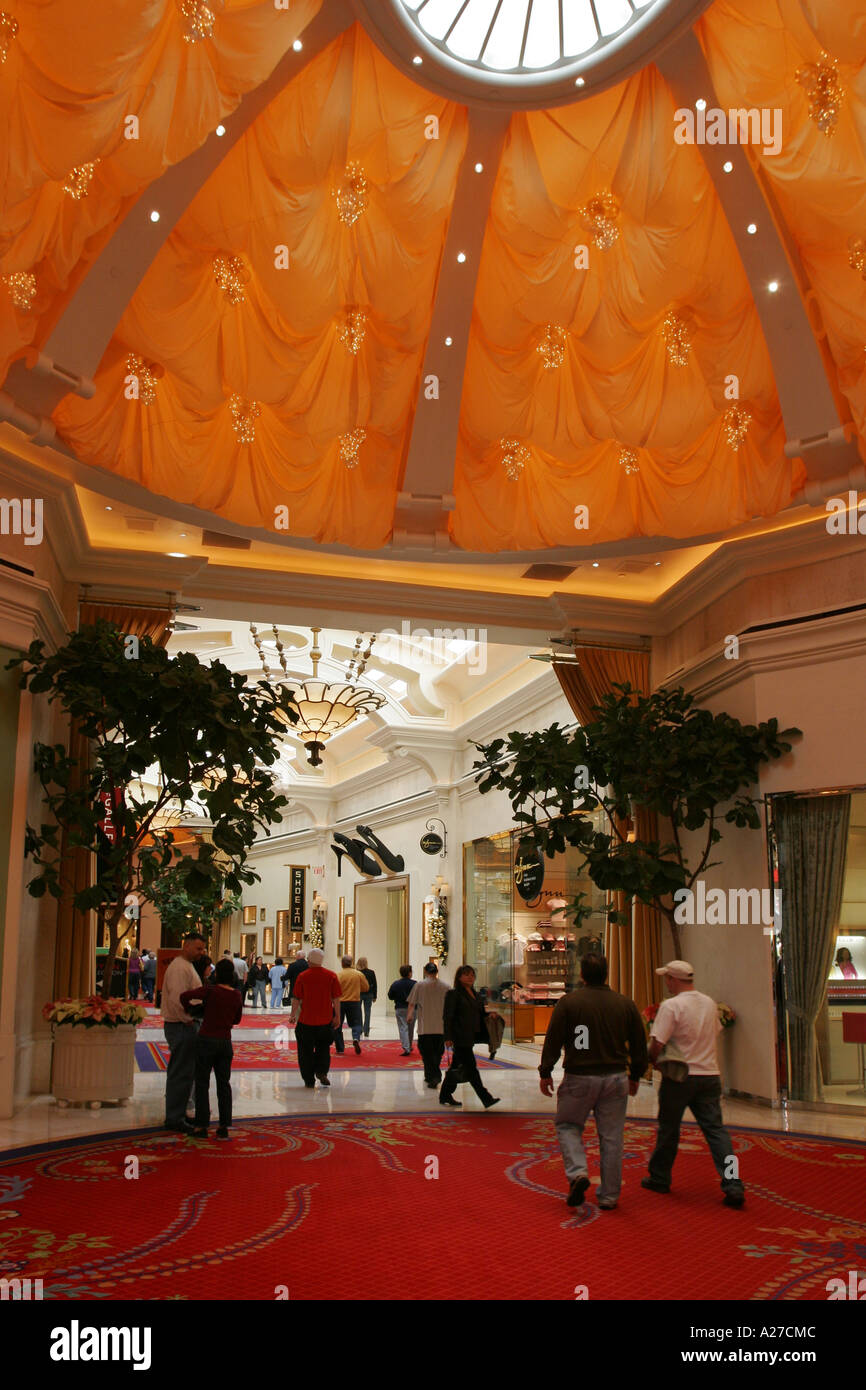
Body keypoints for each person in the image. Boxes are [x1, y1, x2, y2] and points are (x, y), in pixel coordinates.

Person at [539, 952, 647, 1210]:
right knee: (612, 1137)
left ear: (582, 975)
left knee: (568, 1126)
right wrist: (636, 1075)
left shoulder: (569, 1003)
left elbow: (553, 1039)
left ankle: (578, 1173)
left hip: (579, 1076)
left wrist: (545, 1071)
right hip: (615, 1076)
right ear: (606, 974)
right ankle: (609, 1196)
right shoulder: (625, 1004)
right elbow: (640, 1043)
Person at [642, 960, 746, 1208]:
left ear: (673, 980)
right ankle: (733, 1182)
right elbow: (715, 1032)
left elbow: (657, 1043)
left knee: (669, 1129)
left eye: (667, 978)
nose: (666, 982)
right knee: (716, 1131)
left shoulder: (671, 1006)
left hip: (679, 1075)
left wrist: (653, 1062)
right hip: (709, 1075)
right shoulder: (709, 1004)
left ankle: (660, 1177)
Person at [180, 956, 243, 1139]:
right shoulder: (236, 995)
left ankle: (201, 1125)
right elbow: (237, 1020)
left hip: (206, 1039)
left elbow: (185, 996)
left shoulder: (210, 991)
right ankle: (224, 1125)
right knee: (224, 1084)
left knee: (202, 1083)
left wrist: (191, 1012)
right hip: (225, 1042)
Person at [160, 932, 207, 1134]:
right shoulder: (180, 968)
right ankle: (174, 1117)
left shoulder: (185, 966)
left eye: (203, 949)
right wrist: (189, 1020)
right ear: (186, 946)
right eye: (198, 948)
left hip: (184, 1024)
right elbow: (178, 1000)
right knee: (181, 1072)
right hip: (181, 1025)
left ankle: (178, 1113)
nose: (202, 952)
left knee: (185, 1071)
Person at [439, 965, 500, 1110]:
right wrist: (448, 1036)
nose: (470, 977)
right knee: (471, 1068)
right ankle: (486, 1098)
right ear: (459, 977)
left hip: (471, 1035)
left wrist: (489, 1014)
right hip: (460, 1036)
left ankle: (445, 1094)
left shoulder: (476, 995)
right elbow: (448, 1017)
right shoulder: (453, 994)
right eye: (466, 975)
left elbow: (479, 1014)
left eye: (472, 975)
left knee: (456, 1066)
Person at [289, 947, 342, 1087]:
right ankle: (322, 1071)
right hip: (325, 1020)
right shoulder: (331, 976)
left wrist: (293, 1015)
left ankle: (308, 1079)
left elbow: (296, 998)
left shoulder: (303, 976)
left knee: (305, 1052)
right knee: (324, 1049)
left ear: (309, 961)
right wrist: (337, 1016)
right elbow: (336, 998)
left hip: (306, 1021)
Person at [407, 962, 450, 1087]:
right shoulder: (445, 986)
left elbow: (411, 1003)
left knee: (426, 1052)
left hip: (425, 1026)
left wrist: (409, 1015)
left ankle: (434, 1076)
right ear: (436, 972)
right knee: (437, 1052)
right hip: (440, 1026)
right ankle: (430, 1075)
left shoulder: (419, 985)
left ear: (425, 971)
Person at [335, 955, 369, 1055]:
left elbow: (334, 989)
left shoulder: (338, 975)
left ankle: (340, 1048)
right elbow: (366, 988)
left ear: (342, 963)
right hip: (354, 1001)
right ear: (352, 963)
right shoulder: (358, 974)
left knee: (338, 1025)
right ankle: (355, 1038)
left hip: (340, 1003)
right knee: (356, 1023)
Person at [387, 964, 416, 1054]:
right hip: (413, 1009)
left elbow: (390, 996)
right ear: (410, 973)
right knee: (411, 1028)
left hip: (400, 1008)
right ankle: (410, 1045)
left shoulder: (396, 984)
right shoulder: (415, 984)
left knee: (403, 1027)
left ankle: (406, 1047)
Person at [357, 956, 377, 1037]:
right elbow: (375, 985)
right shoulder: (371, 972)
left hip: (359, 994)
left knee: (358, 1012)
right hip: (369, 994)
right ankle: (366, 1030)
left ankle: (360, 1029)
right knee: (367, 1012)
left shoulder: (357, 973)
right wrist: (375, 996)